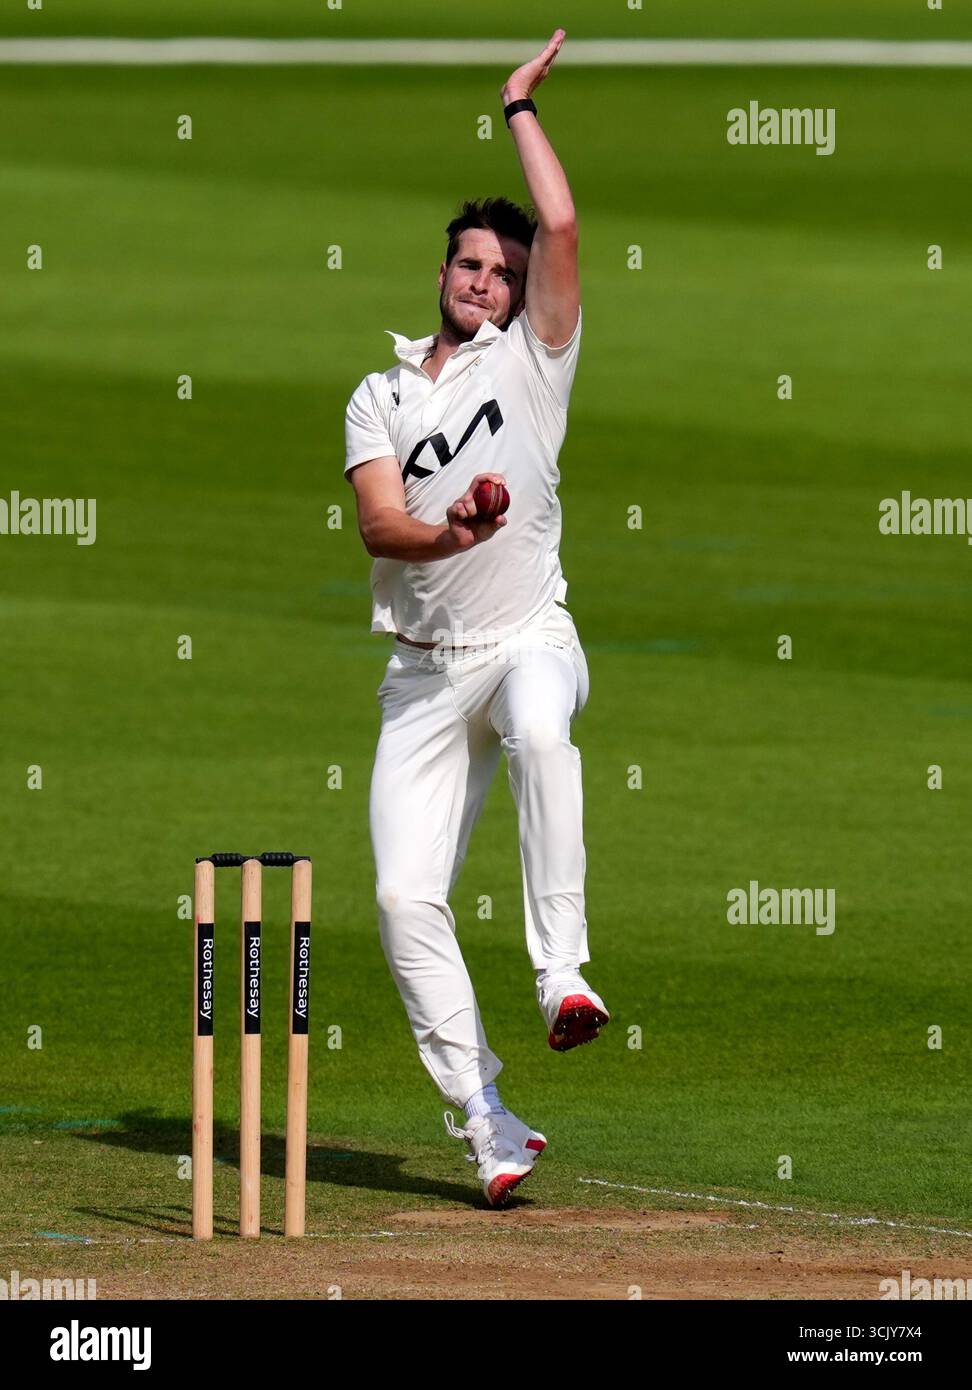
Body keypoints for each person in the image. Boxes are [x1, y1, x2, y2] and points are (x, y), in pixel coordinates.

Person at [344, 29, 609, 1207]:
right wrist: (452, 535)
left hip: (528, 643)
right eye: (468, 266)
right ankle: (489, 1121)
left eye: (499, 273)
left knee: (549, 733)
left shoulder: (537, 361)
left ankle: (563, 976)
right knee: (404, 899)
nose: (482, 283)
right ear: (443, 271)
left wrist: (517, 107)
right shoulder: (384, 392)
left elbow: (560, 227)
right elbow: (378, 527)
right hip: (420, 674)